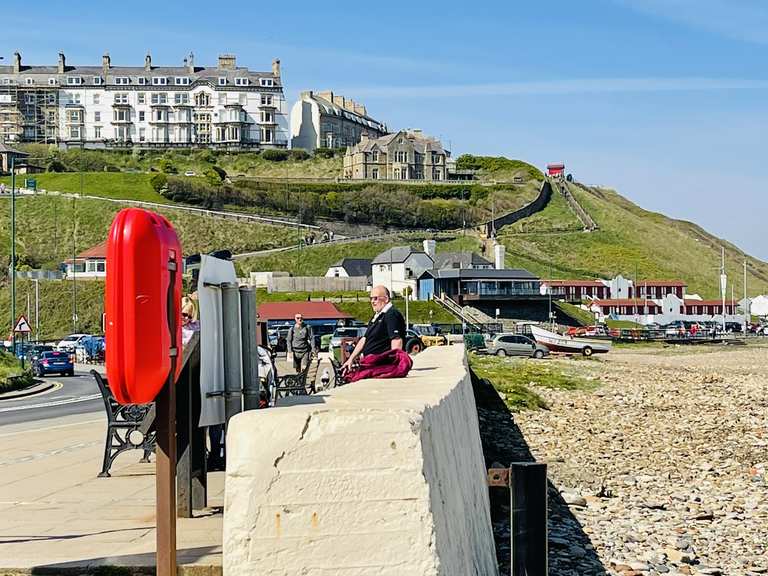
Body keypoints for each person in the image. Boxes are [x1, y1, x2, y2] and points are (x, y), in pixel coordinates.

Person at [341, 285, 405, 374]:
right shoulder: (377, 316)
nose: (372, 302)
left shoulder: (391, 314)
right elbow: (365, 339)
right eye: (371, 298)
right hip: (370, 364)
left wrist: (395, 366)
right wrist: (351, 359)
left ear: (386, 299)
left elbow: (396, 340)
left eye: (375, 298)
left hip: (381, 366)